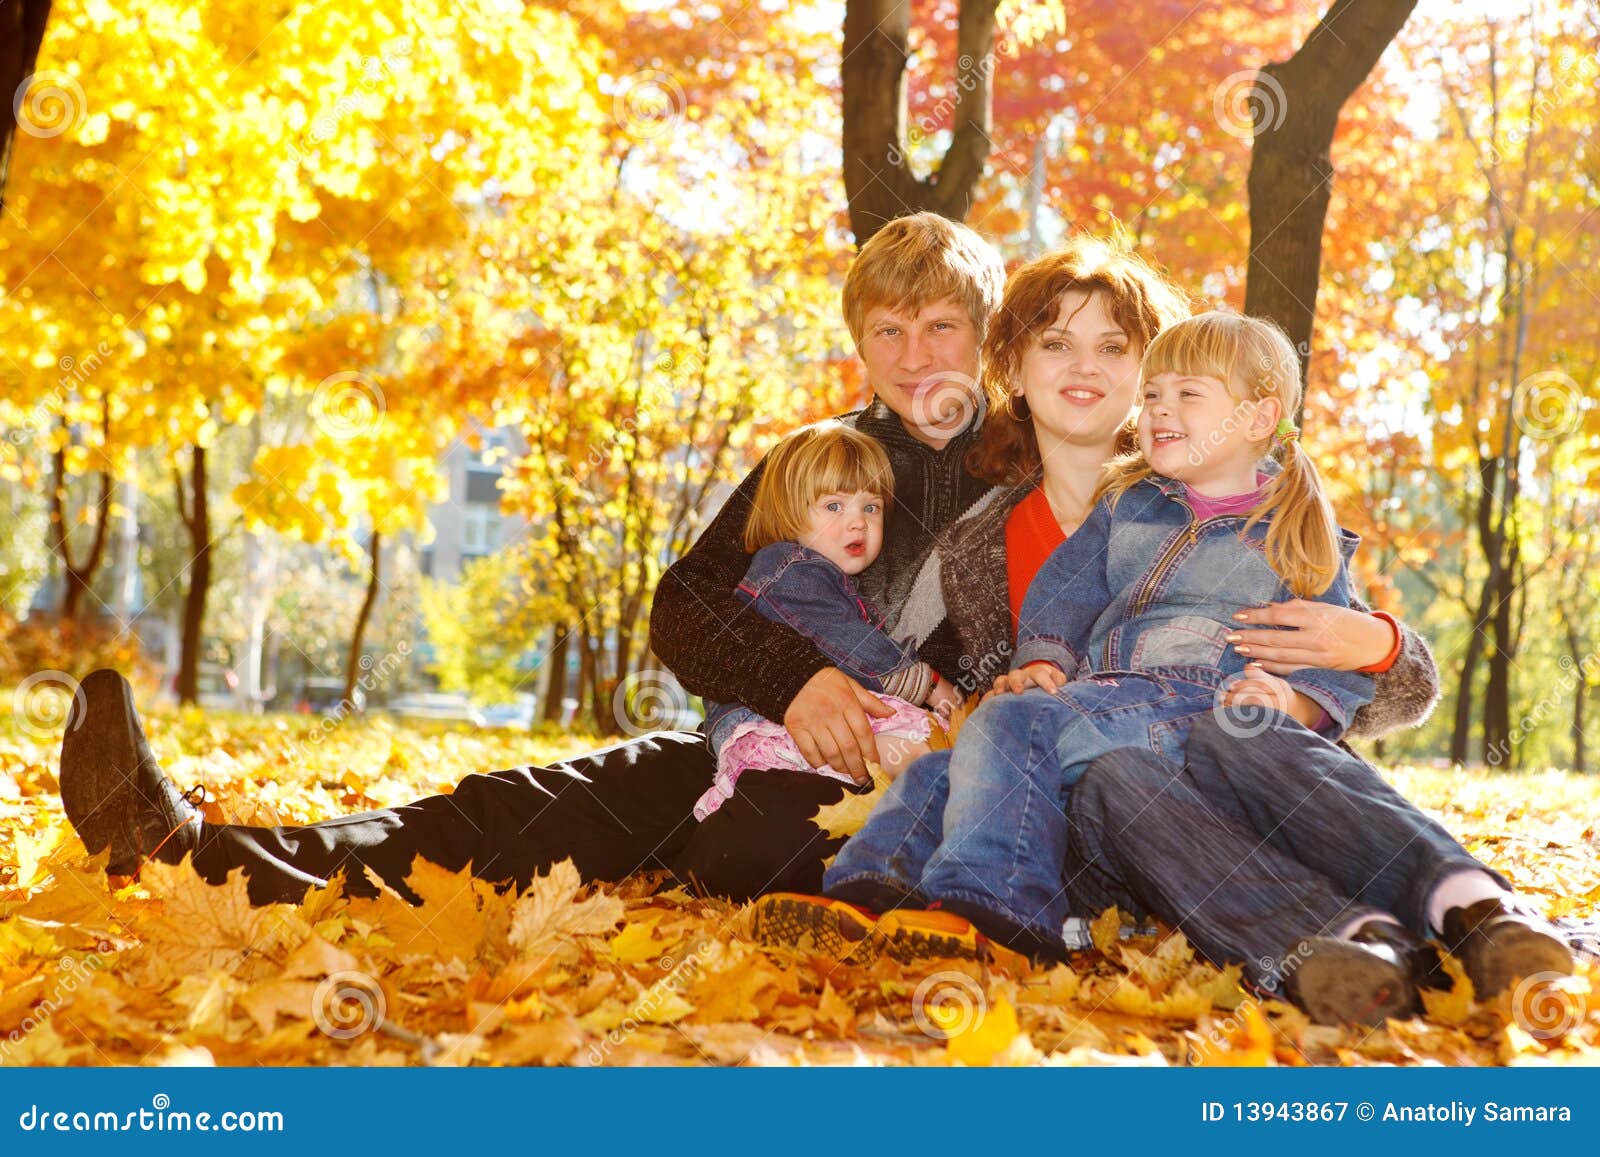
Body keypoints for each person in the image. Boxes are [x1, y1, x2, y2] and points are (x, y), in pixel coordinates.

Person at [57, 212, 1008, 905]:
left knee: (750, 845)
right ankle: (196, 851)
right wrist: (794, 678)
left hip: (916, 777)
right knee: (517, 804)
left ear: (984, 337)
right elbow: (684, 605)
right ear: (859, 343)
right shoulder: (820, 459)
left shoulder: (1023, 465)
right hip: (762, 743)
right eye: (889, 328)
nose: (914, 353)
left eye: (940, 326)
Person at [810, 310, 1574, 1024]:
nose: (1158, 409)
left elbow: (1335, 664)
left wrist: (1298, 702)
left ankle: (992, 905)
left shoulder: (1294, 529)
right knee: (952, 769)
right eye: (1152, 394)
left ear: (1258, 416)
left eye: (1186, 394)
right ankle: (864, 894)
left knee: (1018, 724)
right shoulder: (1126, 504)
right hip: (1104, 729)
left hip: (1202, 710)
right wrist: (1043, 657)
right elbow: (1066, 593)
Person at [694, 419, 961, 820]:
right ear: (787, 513)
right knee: (921, 743)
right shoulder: (789, 569)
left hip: (786, 737)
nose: (858, 522)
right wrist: (930, 684)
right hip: (771, 730)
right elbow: (854, 648)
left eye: (870, 507)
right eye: (834, 506)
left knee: (911, 759)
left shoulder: (819, 577)